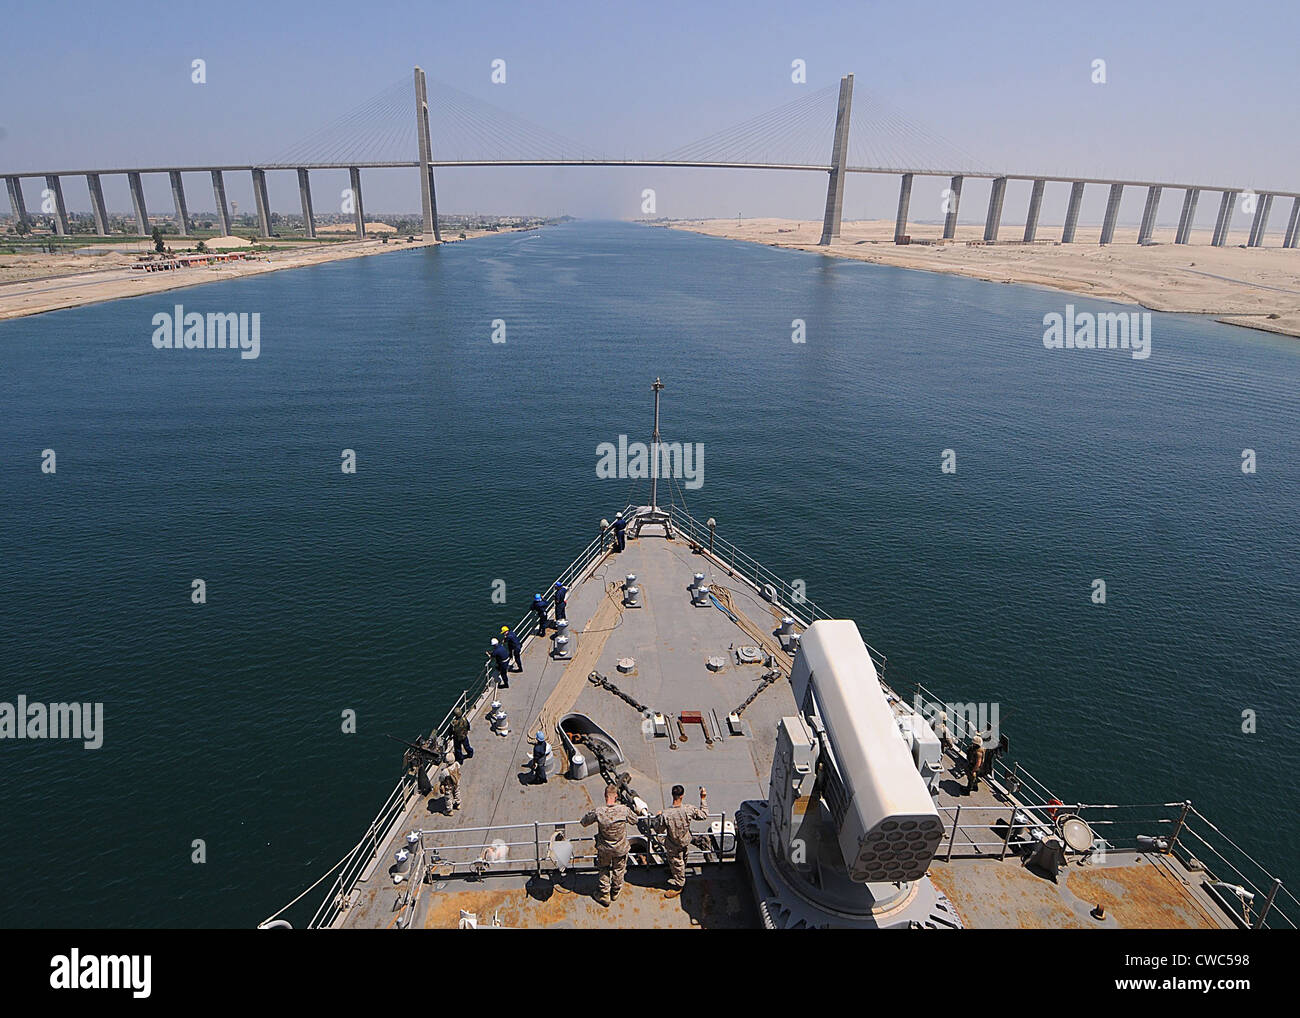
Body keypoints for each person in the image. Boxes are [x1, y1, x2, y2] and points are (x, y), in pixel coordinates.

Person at [581, 783, 640, 907]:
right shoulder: (623, 810)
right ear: (617, 796)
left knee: (603, 869)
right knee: (619, 870)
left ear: (605, 796)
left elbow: (584, 822)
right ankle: (615, 891)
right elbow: (635, 820)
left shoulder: (599, 811)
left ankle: (604, 894)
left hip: (604, 849)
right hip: (620, 848)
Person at [654, 784, 708, 899]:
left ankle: (679, 886)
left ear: (672, 795)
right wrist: (703, 798)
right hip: (685, 840)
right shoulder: (689, 809)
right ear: (682, 795)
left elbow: (658, 829)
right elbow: (703, 815)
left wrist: (658, 817)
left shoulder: (666, 814)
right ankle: (678, 872)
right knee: (683, 858)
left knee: (676, 862)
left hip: (673, 844)